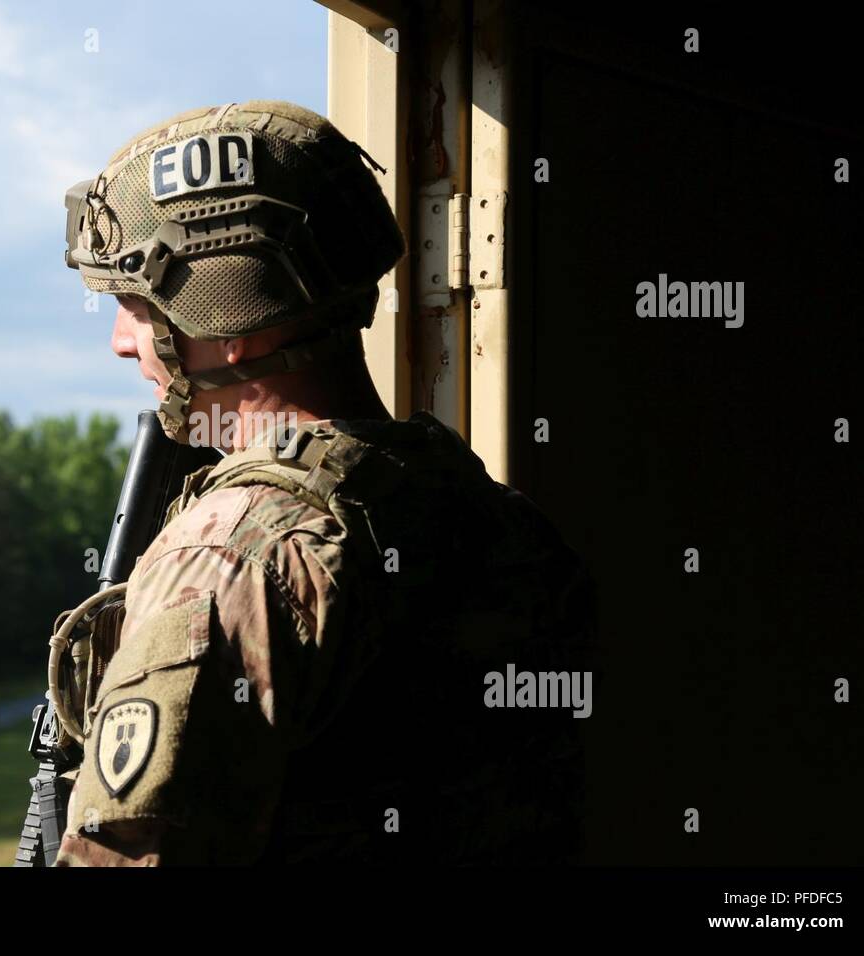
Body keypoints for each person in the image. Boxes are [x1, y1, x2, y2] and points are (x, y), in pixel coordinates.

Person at [53, 100, 593, 866]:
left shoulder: (228, 559)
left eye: (136, 304)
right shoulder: (498, 518)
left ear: (233, 320)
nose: (120, 341)